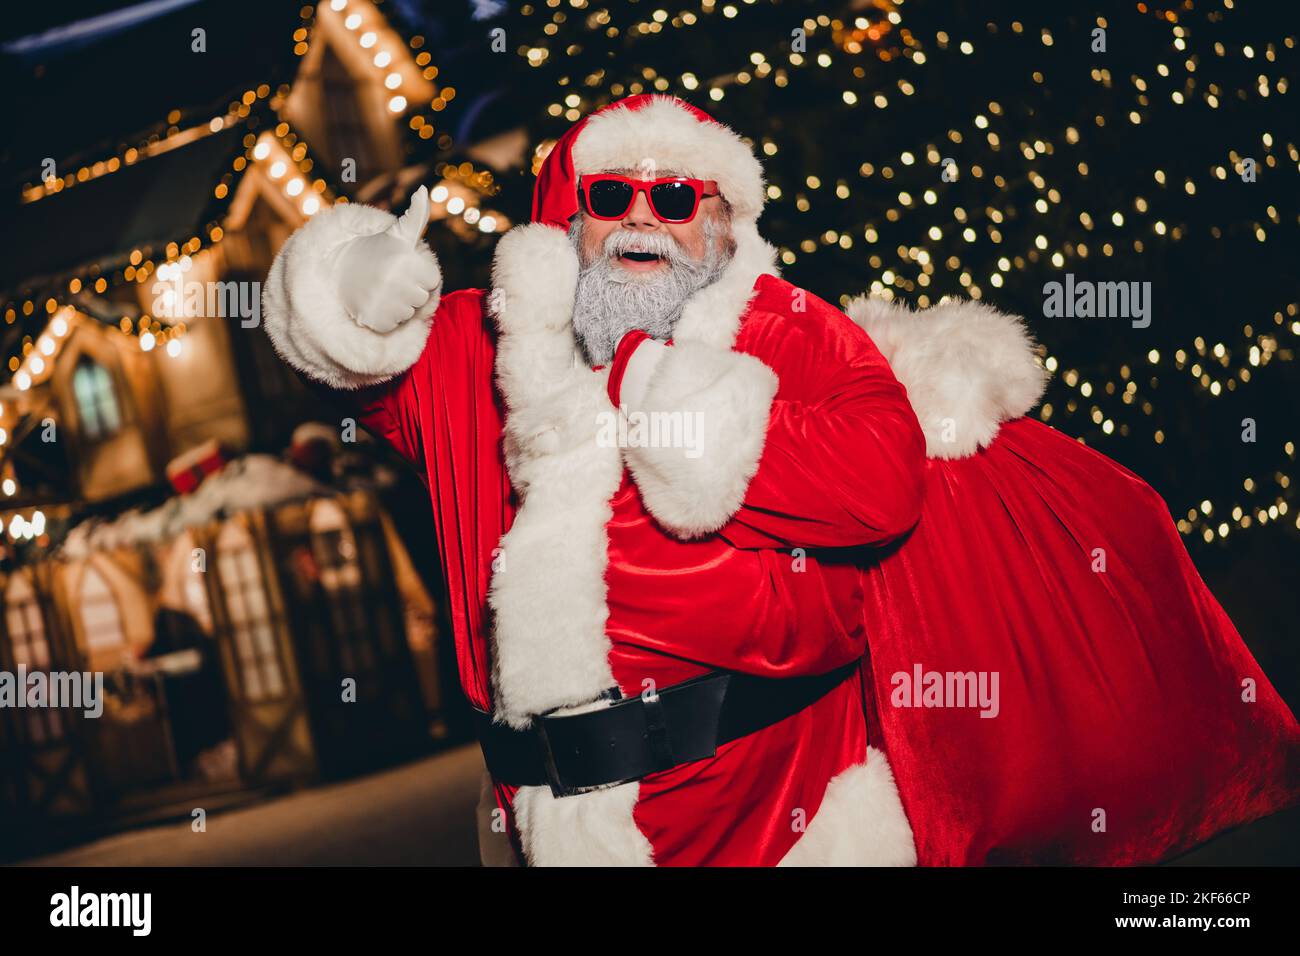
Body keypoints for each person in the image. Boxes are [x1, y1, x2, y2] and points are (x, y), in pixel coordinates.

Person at [263, 95, 1300, 866]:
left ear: (720, 222)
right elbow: (345, 358)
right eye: (609, 194)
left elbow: (878, 476)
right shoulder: (474, 346)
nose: (641, 220)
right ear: (563, 217)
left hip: (774, 814)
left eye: (676, 197)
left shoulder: (785, 330)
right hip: (539, 824)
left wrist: (678, 404)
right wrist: (350, 284)